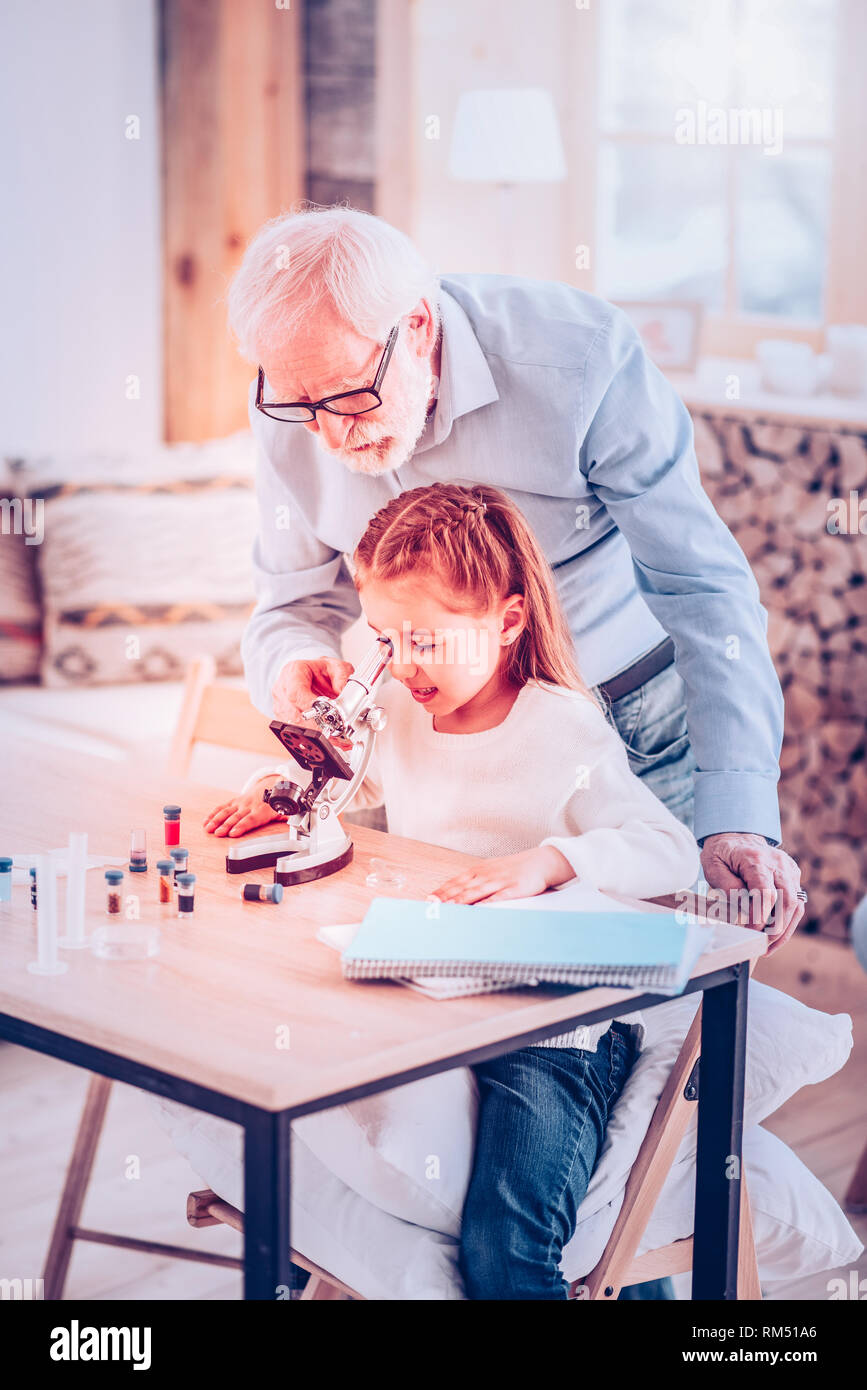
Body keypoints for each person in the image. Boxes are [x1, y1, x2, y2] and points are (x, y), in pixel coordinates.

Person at [227, 205, 803, 956]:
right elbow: (292, 601)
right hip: (439, 738)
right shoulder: (296, 396)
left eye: (346, 397)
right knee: (469, 982)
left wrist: (739, 814)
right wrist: (289, 665)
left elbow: (702, 588)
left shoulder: (578, 358)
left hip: (628, 717)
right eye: (301, 407)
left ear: (419, 328)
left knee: (651, 980)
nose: (330, 435)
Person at [205, 482, 701, 1300]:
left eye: (425, 640)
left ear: (506, 622)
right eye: (386, 639)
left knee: (510, 1240)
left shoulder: (561, 726)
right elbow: (342, 784)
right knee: (283, 1154)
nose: (401, 663)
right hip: (432, 996)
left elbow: (666, 849)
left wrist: (550, 860)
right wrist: (280, 787)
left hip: (548, 1022)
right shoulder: (399, 707)